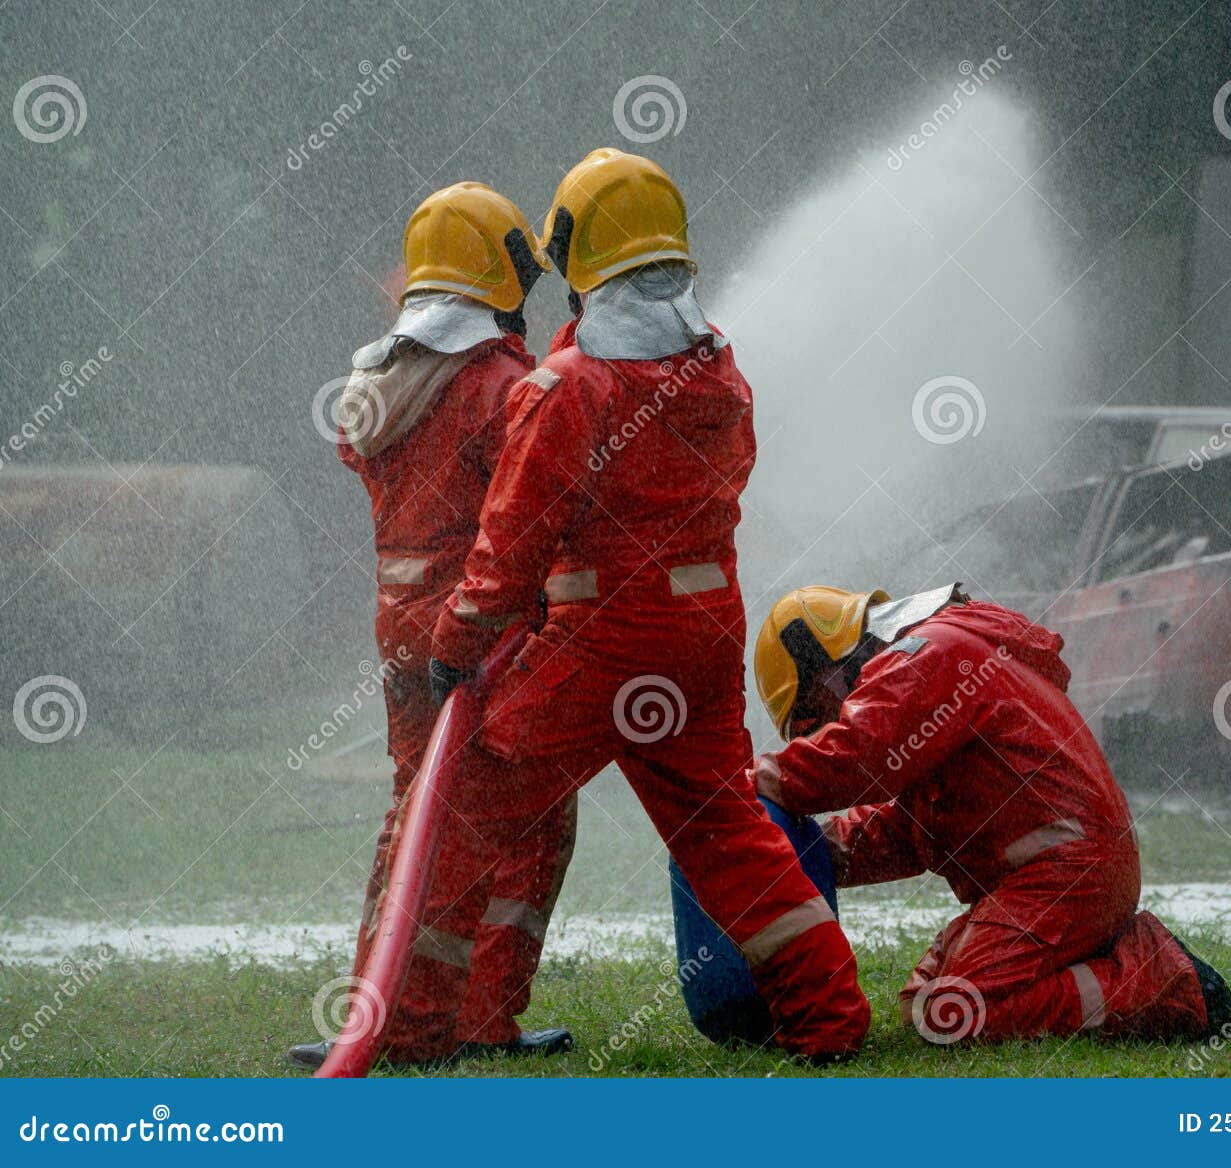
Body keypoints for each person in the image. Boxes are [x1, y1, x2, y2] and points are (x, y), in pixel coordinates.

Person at [376, 148, 869, 1064]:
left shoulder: (569, 392)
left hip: (600, 643)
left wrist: (459, 639)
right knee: (729, 835)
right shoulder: (718, 372)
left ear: (573, 255)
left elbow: (513, 539)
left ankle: (410, 1034)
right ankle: (830, 1020)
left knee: (466, 814)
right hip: (703, 638)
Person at [289, 182, 577, 1069]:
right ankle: (476, 1015)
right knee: (527, 817)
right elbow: (528, 504)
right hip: (482, 631)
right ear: (498, 273)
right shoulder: (497, 382)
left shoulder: (376, 384)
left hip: (401, 627)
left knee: (411, 818)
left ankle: (370, 1009)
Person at [750, 583, 1231, 1045]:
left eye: (812, 718)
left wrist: (745, 784)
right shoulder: (933, 666)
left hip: (1068, 872)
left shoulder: (927, 654)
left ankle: (1165, 979)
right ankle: (1108, 954)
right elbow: (912, 830)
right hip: (1057, 872)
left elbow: (858, 756)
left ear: (825, 664)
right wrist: (809, 851)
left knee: (955, 1013)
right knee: (923, 1004)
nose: (818, 733)